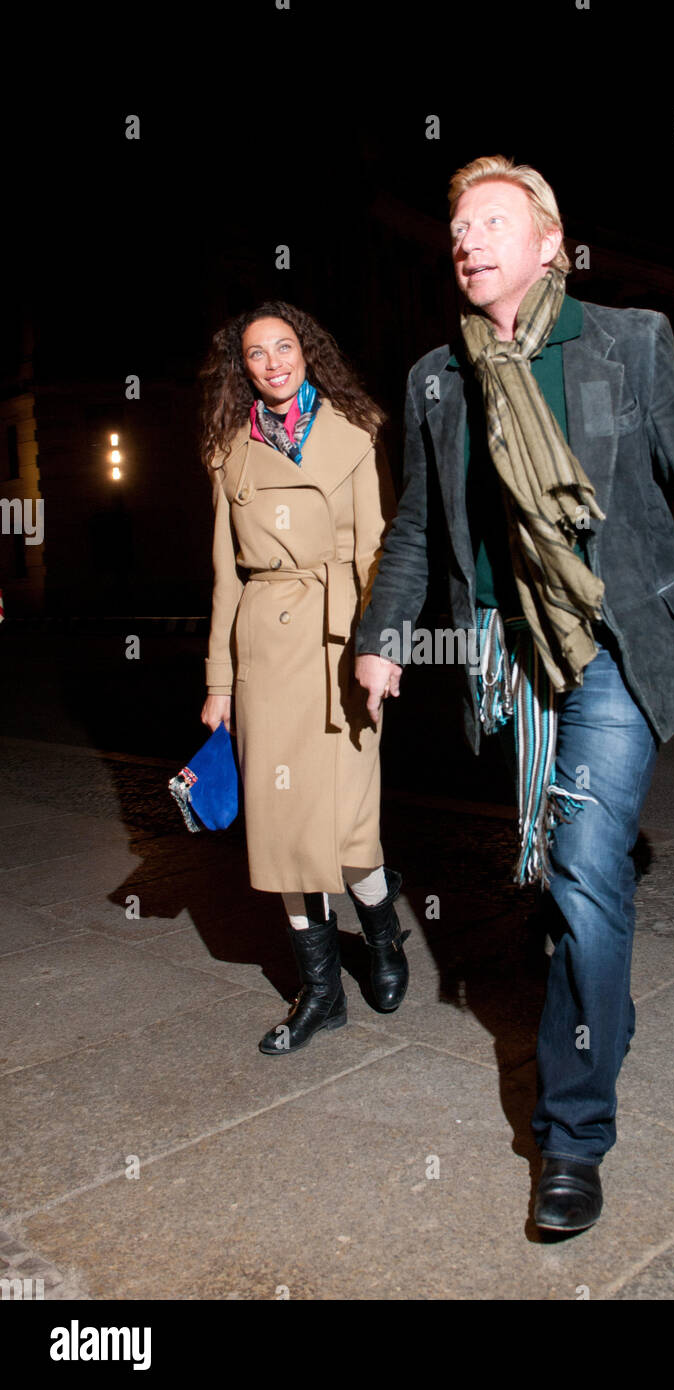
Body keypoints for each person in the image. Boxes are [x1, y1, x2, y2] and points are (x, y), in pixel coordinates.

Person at [354, 157, 674, 1234]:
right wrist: (380, 637)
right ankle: (602, 1004)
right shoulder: (434, 380)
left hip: (610, 648)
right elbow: (415, 529)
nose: (467, 238)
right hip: (509, 658)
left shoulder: (627, 341)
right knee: (558, 875)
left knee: (586, 870)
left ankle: (570, 1139)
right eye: (456, 226)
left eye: (492, 220)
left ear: (550, 244)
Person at [199, 300, 409, 1056]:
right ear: (243, 369)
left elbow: (378, 552)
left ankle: (382, 938)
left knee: (351, 833)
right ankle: (320, 992)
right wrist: (219, 681)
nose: (272, 363)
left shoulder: (355, 434)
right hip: (266, 655)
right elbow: (225, 575)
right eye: (255, 354)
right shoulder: (228, 450)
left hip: (337, 647)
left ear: (307, 353)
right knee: (285, 835)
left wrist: (380, 645)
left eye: (283, 347)